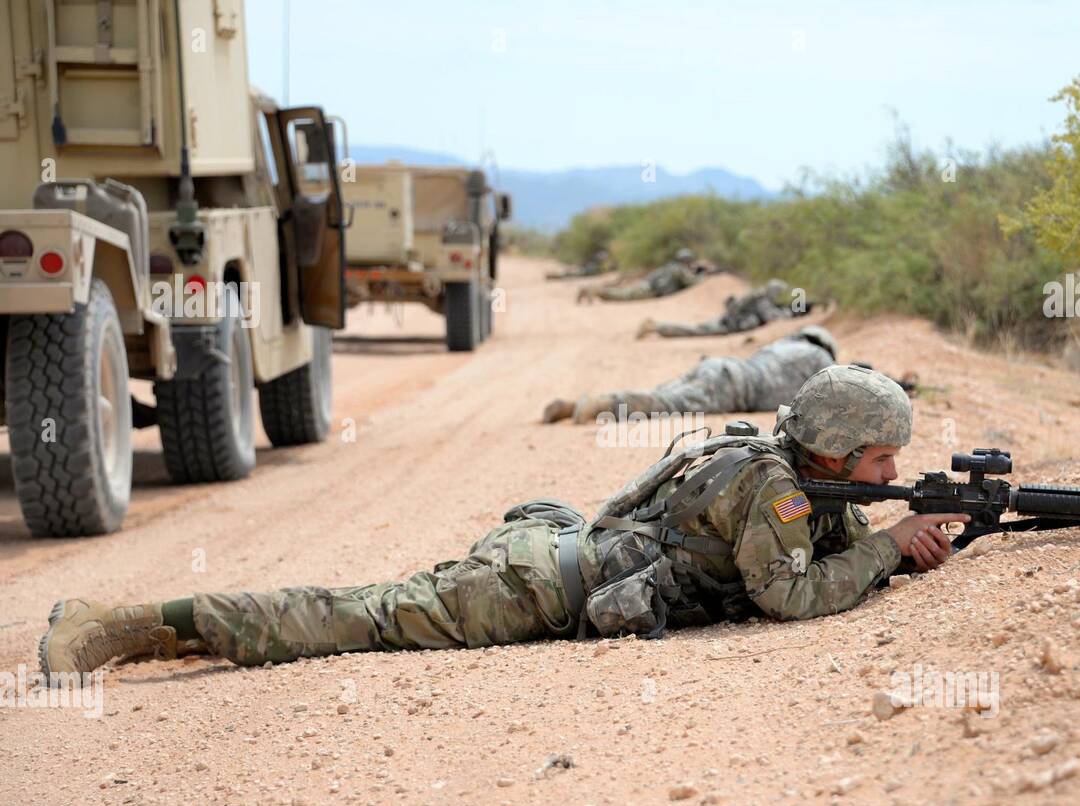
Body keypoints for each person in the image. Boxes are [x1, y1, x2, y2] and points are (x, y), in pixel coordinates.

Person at [38, 366, 966, 681]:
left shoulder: (784, 472)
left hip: (560, 544)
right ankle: (127, 624)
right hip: (530, 586)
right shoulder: (773, 487)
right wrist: (889, 545)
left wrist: (897, 540)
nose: (889, 477)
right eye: (882, 462)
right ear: (837, 450)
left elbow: (817, 544)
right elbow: (790, 596)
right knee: (355, 615)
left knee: (370, 607)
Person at [540, 326, 914, 424]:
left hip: (722, 366)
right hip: (735, 387)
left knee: (661, 392)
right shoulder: (819, 359)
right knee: (668, 405)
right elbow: (851, 383)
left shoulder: (787, 345)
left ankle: (588, 400)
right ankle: (596, 405)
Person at [637, 279, 800, 338]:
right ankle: (657, 327)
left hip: (727, 319)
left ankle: (657, 327)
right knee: (695, 330)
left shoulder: (758, 295)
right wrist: (791, 313)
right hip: (728, 324)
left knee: (696, 328)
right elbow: (772, 318)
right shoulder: (763, 300)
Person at [576, 248, 702, 303]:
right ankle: (593, 290)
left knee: (621, 293)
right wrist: (702, 276)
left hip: (644, 285)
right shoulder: (679, 269)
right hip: (647, 290)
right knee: (620, 296)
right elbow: (692, 282)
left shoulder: (670, 266)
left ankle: (594, 290)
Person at [545, 250, 612, 280]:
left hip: (585, 272)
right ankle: (553, 275)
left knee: (569, 274)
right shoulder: (597, 262)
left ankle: (553, 276)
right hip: (584, 271)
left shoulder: (599, 264)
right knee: (569, 273)